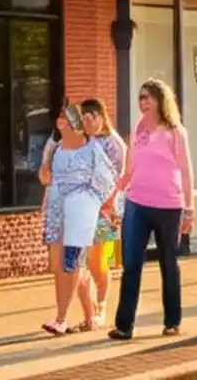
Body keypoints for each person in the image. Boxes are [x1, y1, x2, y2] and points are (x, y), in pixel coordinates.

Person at [110, 79, 195, 340]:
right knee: (132, 263)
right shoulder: (138, 129)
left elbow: (185, 170)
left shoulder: (175, 131)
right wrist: (117, 191)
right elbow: (131, 166)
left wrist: (189, 209)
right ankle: (124, 326)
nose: (143, 102)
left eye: (148, 97)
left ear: (160, 100)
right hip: (137, 203)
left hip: (170, 206)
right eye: (141, 97)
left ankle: (172, 321)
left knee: (169, 263)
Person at [41, 101, 118, 336]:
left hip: (82, 214)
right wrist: (48, 182)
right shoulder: (55, 147)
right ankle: (89, 315)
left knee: (73, 262)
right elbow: (45, 175)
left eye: (68, 119)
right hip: (57, 213)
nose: (63, 123)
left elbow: (110, 180)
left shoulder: (94, 147)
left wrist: (92, 202)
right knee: (60, 266)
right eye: (60, 119)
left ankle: (61, 318)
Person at [80, 98, 127, 329]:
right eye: (84, 119)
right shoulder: (81, 142)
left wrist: (107, 204)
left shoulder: (113, 143)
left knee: (102, 261)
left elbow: (120, 178)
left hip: (107, 211)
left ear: (101, 117)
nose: (88, 123)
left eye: (92, 118)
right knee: (84, 261)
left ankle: (102, 304)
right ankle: (90, 312)